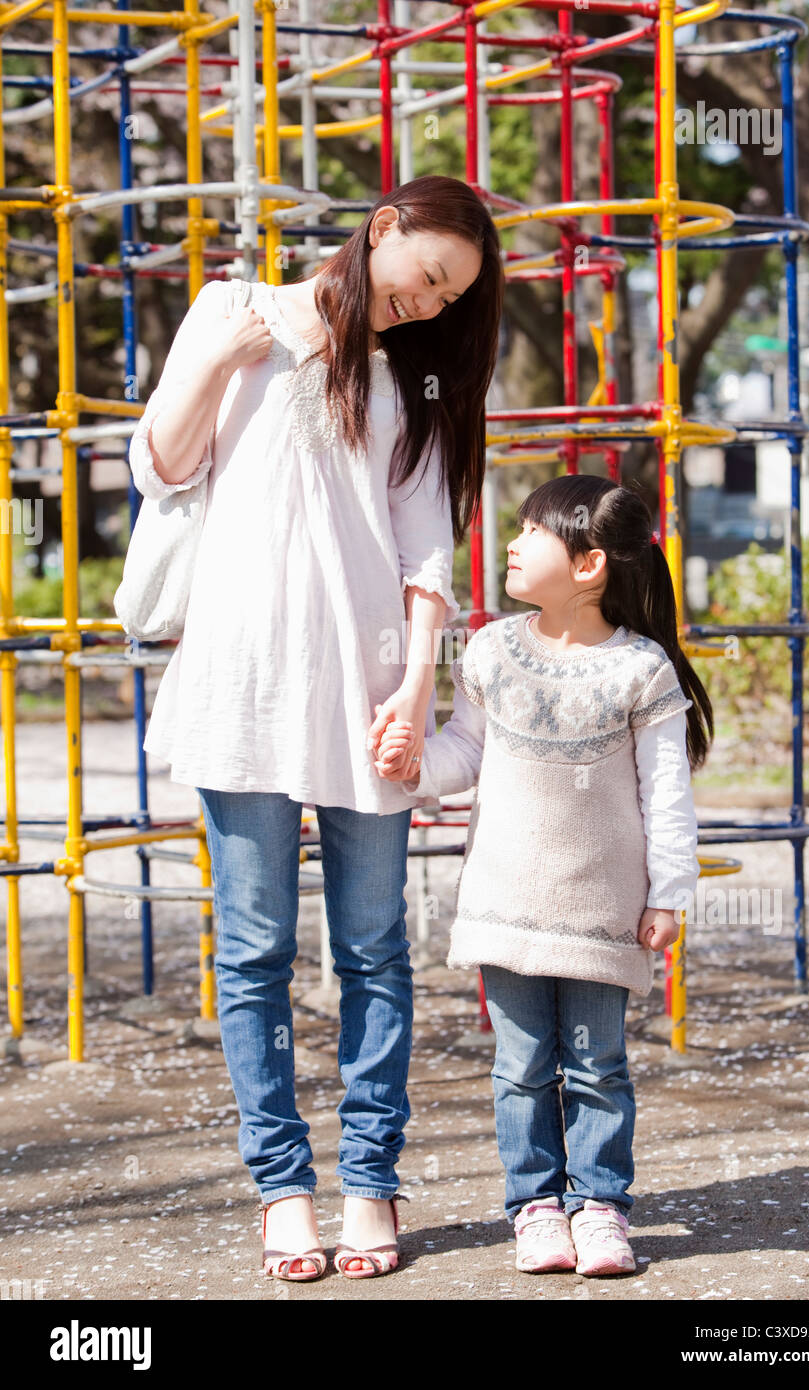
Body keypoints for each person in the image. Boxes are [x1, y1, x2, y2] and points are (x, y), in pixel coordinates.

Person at [128, 175, 504, 1280]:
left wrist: (413, 688)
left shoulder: (413, 372)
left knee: (373, 950)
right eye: (426, 276)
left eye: (450, 297)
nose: (430, 306)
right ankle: (282, 1186)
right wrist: (209, 361)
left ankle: (371, 1182)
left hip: (367, 691)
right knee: (251, 953)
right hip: (239, 683)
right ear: (382, 229)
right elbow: (161, 467)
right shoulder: (230, 310)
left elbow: (422, 550)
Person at [370, 473, 713, 1276]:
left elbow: (667, 793)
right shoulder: (491, 650)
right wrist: (412, 765)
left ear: (589, 565)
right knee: (520, 1065)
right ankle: (533, 1207)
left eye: (532, 531)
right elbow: (465, 754)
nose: (513, 543)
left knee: (597, 1063)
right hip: (505, 905)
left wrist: (670, 892)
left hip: (604, 911)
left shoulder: (642, 670)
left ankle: (599, 1208)